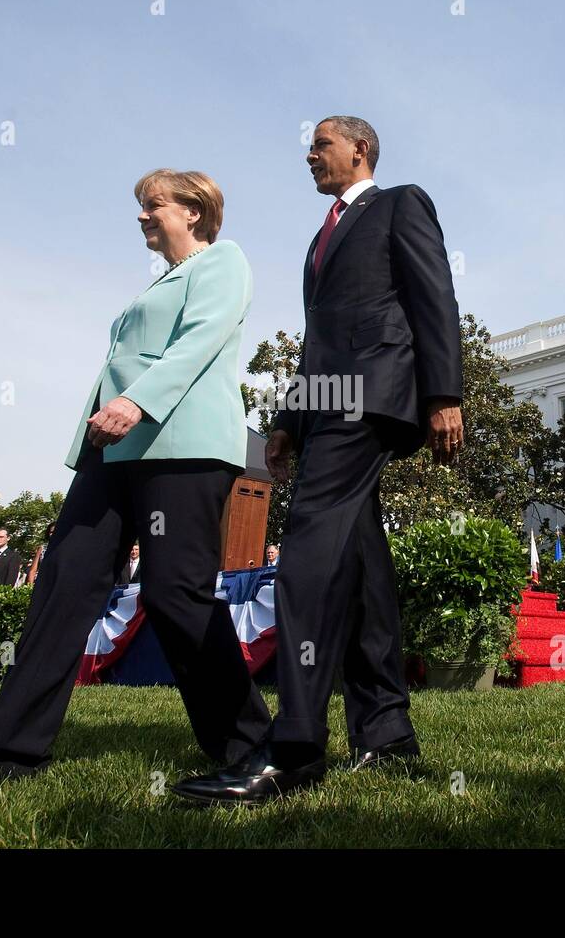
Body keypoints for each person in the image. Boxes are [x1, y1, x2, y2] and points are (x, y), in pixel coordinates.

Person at [175, 116, 464, 805]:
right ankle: (386, 728)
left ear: (358, 150)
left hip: (375, 397)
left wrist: (445, 392)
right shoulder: (319, 240)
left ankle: (295, 746)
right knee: (360, 563)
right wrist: (289, 423)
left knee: (305, 546)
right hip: (326, 404)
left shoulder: (401, 203)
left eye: (320, 144)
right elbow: (317, 342)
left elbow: (434, 296)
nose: (309, 154)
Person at [0, 167, 270, 783]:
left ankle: (253, 746)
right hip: (113, 449)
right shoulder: (159, 281)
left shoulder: (223, 261)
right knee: (63, 586)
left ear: (193, 211)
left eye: (153, 205)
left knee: (173, 592)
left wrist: (138, 402)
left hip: (179, 444)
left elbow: (200, 340)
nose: (142, 216)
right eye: (141, 206)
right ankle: (6, 753)